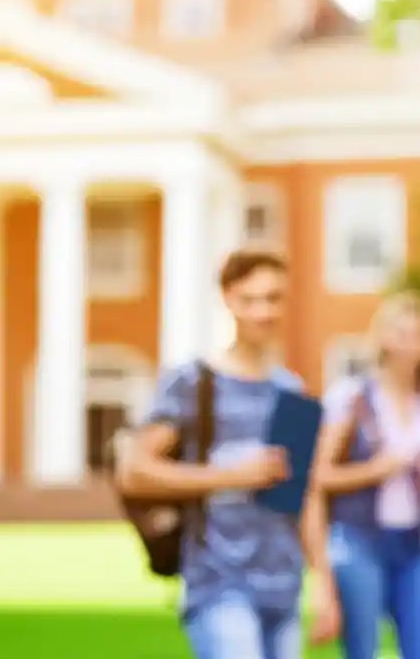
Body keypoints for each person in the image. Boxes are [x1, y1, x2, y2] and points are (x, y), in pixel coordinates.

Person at [118, 249, 339, 659]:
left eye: (273, 298)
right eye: (250, 300)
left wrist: (324, 583)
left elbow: (306, 494)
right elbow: (134, 471)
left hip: (282, 587)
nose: (262, 311)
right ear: (228, 300)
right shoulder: (192, 383)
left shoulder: (292, 393)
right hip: (217, 582)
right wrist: (232, 477)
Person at [315, 292, 420, 659]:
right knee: (363, 649)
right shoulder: (352, 397)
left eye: (417, 334)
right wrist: (374, 470)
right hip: (359, 539)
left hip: (409, 541)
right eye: (400, 333)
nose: (408, 343)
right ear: (382, 338)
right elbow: (320, 476)